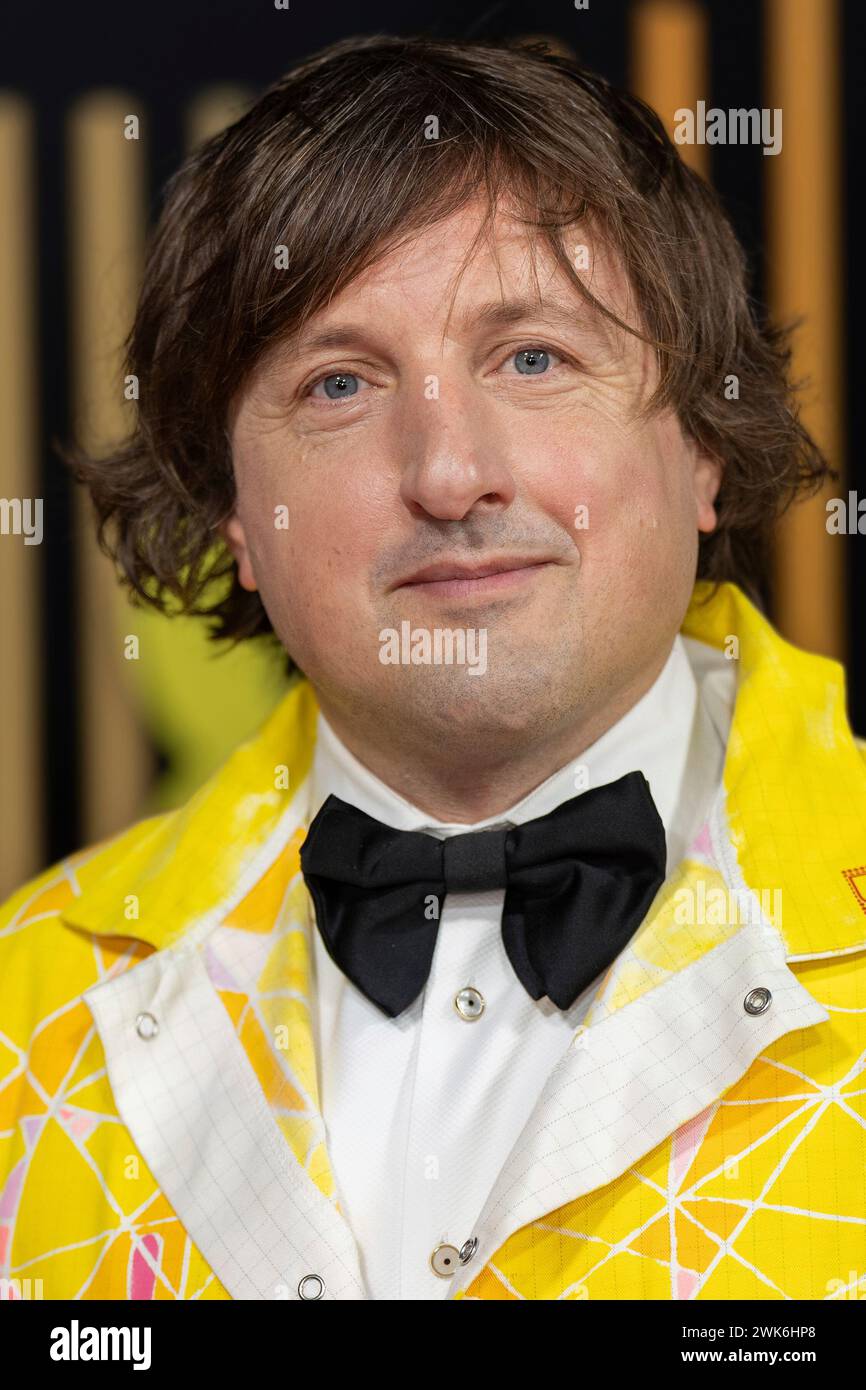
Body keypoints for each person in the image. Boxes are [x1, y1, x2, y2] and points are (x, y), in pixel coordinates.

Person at [2, 34, 864, 1303]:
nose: (449, 474)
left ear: (700, 445)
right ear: (234, 514)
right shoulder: (27, 993)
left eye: (532, 359)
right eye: (339, 384)